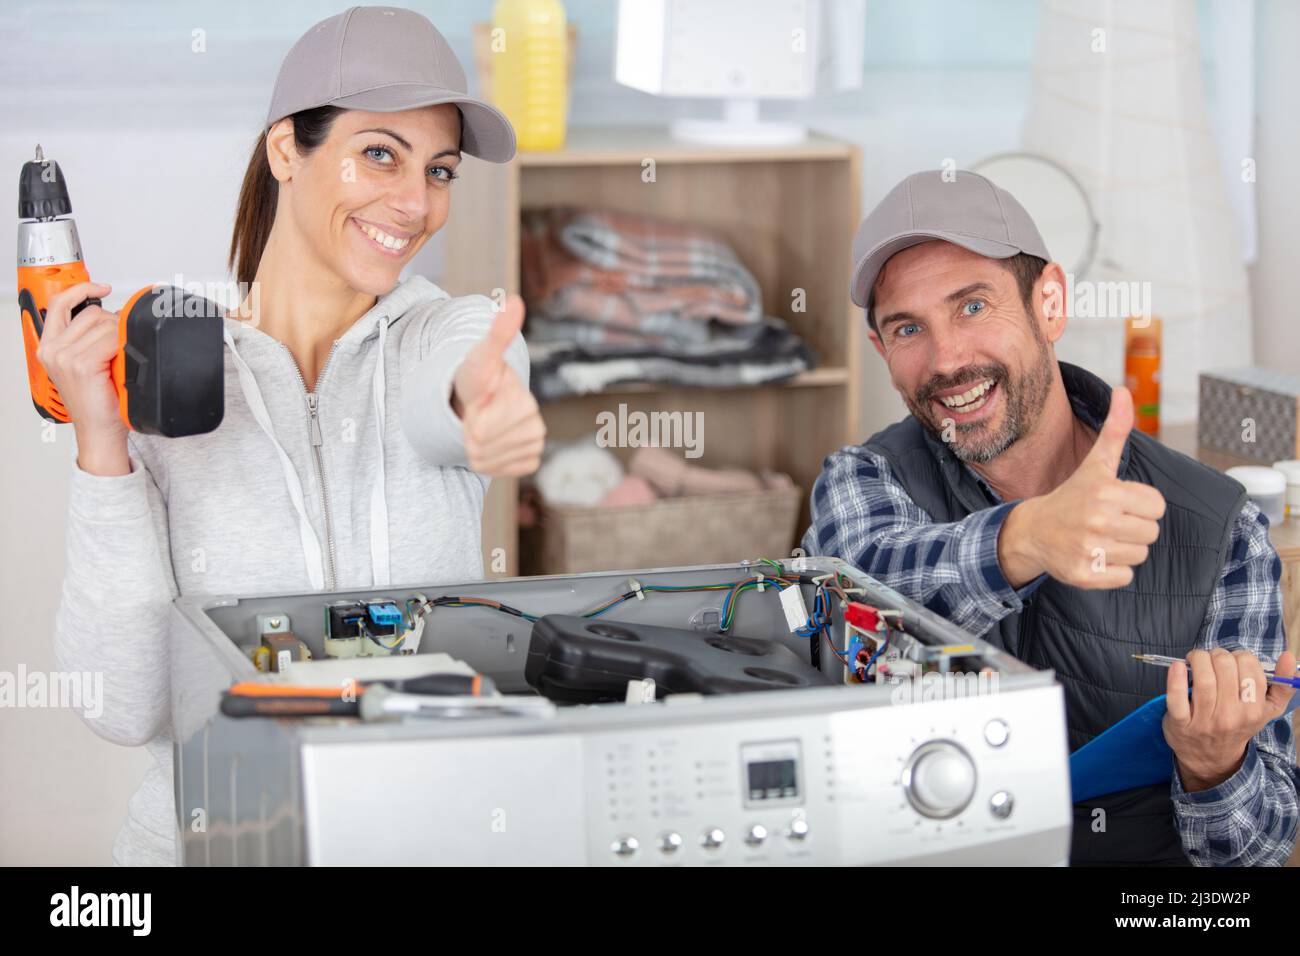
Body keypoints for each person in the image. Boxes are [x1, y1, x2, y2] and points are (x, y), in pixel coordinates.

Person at [43, 6, 544, 865]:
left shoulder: (447, 334)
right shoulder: (169, 369)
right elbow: (125, 706)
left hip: (422, 841)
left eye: (441, 170)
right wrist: (102, 444)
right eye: (379, 153)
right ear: (286, 150)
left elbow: (457, 380)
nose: (416, 203)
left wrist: (478, 404)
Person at [802, 169, 1298, 865]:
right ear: (883, 353)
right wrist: (1026, 536)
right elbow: (856, 594)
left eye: (973, 307)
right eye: (909, 328)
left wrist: (1214, 766)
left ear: (1050, 304)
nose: (947, 360)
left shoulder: (1220, 529)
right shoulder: (863, 481)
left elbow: (1260, 850)